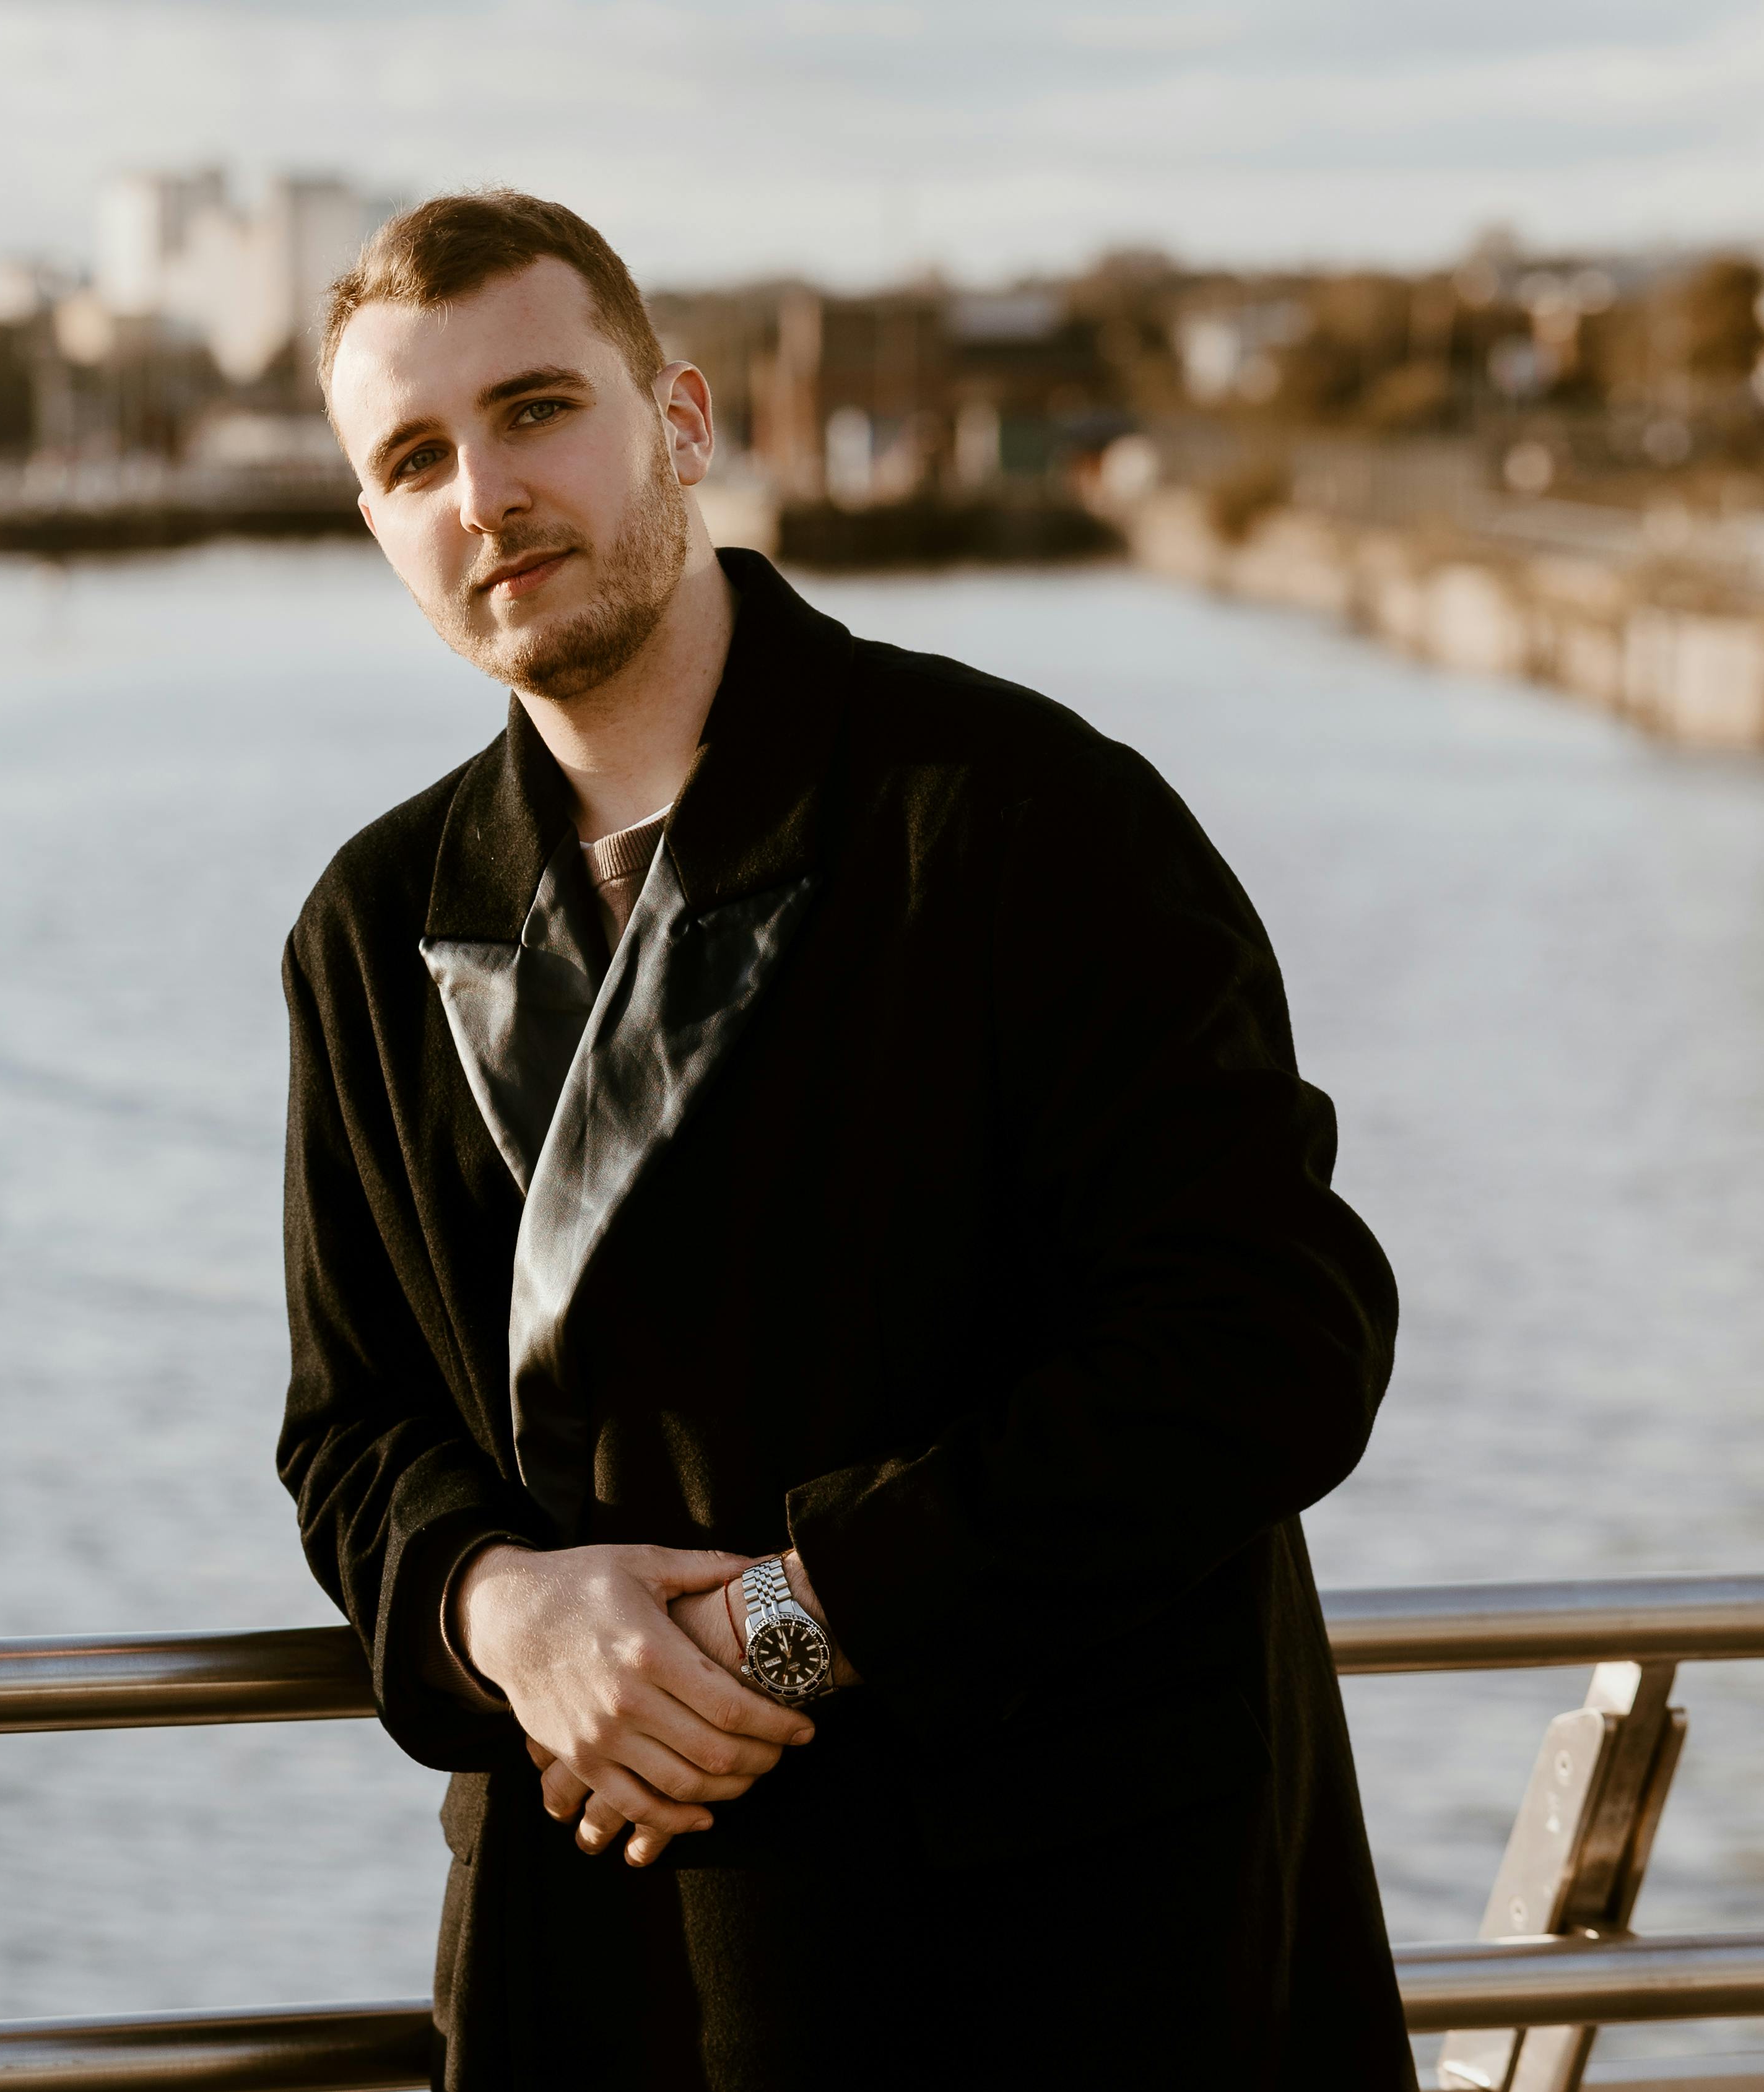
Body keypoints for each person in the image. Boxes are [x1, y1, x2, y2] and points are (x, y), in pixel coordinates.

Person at [274, 190, 1412, 2088]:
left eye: (539, 408)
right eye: (413, 456)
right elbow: (352, 1428)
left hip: (1069, 1960)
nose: (485, 491)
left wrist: (811, 1617)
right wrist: (502, 1607)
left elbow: (1274, 1336)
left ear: (686, 424)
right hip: (611, 1962)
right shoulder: (369, 924)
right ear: (379, 524)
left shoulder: (1022, 813)